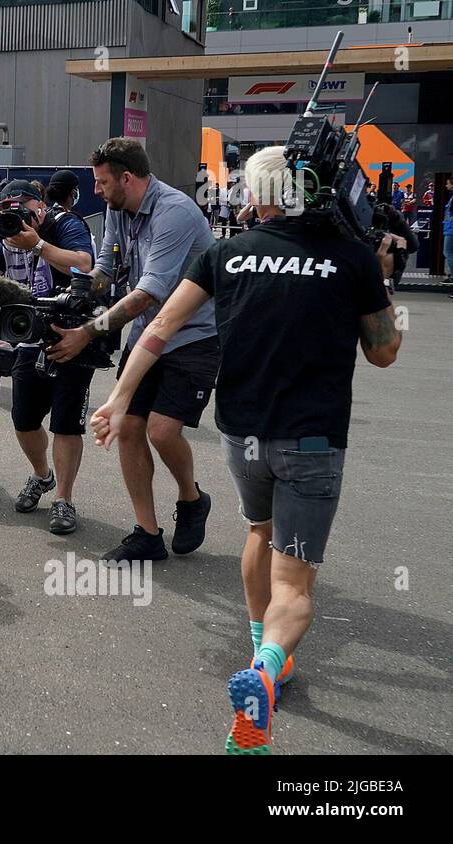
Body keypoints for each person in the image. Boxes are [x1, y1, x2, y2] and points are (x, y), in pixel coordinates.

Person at [90, 145, 403, 754]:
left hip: (244, 434)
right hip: (313, 437)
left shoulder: (225, 254)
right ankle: (265, 668)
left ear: (260, 197)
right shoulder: (353, 258)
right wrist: (379, 274)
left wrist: (119, 398)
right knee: (297, 584)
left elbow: (159, 327)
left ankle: (261, 650)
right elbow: (384, 350)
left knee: (258, 532)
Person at [47, 138, 218, 562]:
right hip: (147, 334)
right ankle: (147, 533)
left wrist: (87, 331)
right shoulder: (118, 208)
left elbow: (146, 294)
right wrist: (79, 293)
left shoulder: (174, 212)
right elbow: (106, 268)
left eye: (103, 182)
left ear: (127, 177)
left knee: (162, 429)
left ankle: (192, 498)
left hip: (194, 335)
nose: (97, 191)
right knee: (126, 427)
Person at [0, 175, 96, 535]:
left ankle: (64, 498)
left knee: (66, 423)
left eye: (24, 211)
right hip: (28, 338)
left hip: (70, 334)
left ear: (39, 206)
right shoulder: (5, 237)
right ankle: (42, 476)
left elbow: (84, 264)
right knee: (24, 421)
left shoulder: (63, 223)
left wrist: (37, 244)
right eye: (9, 213)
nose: (18, 220)